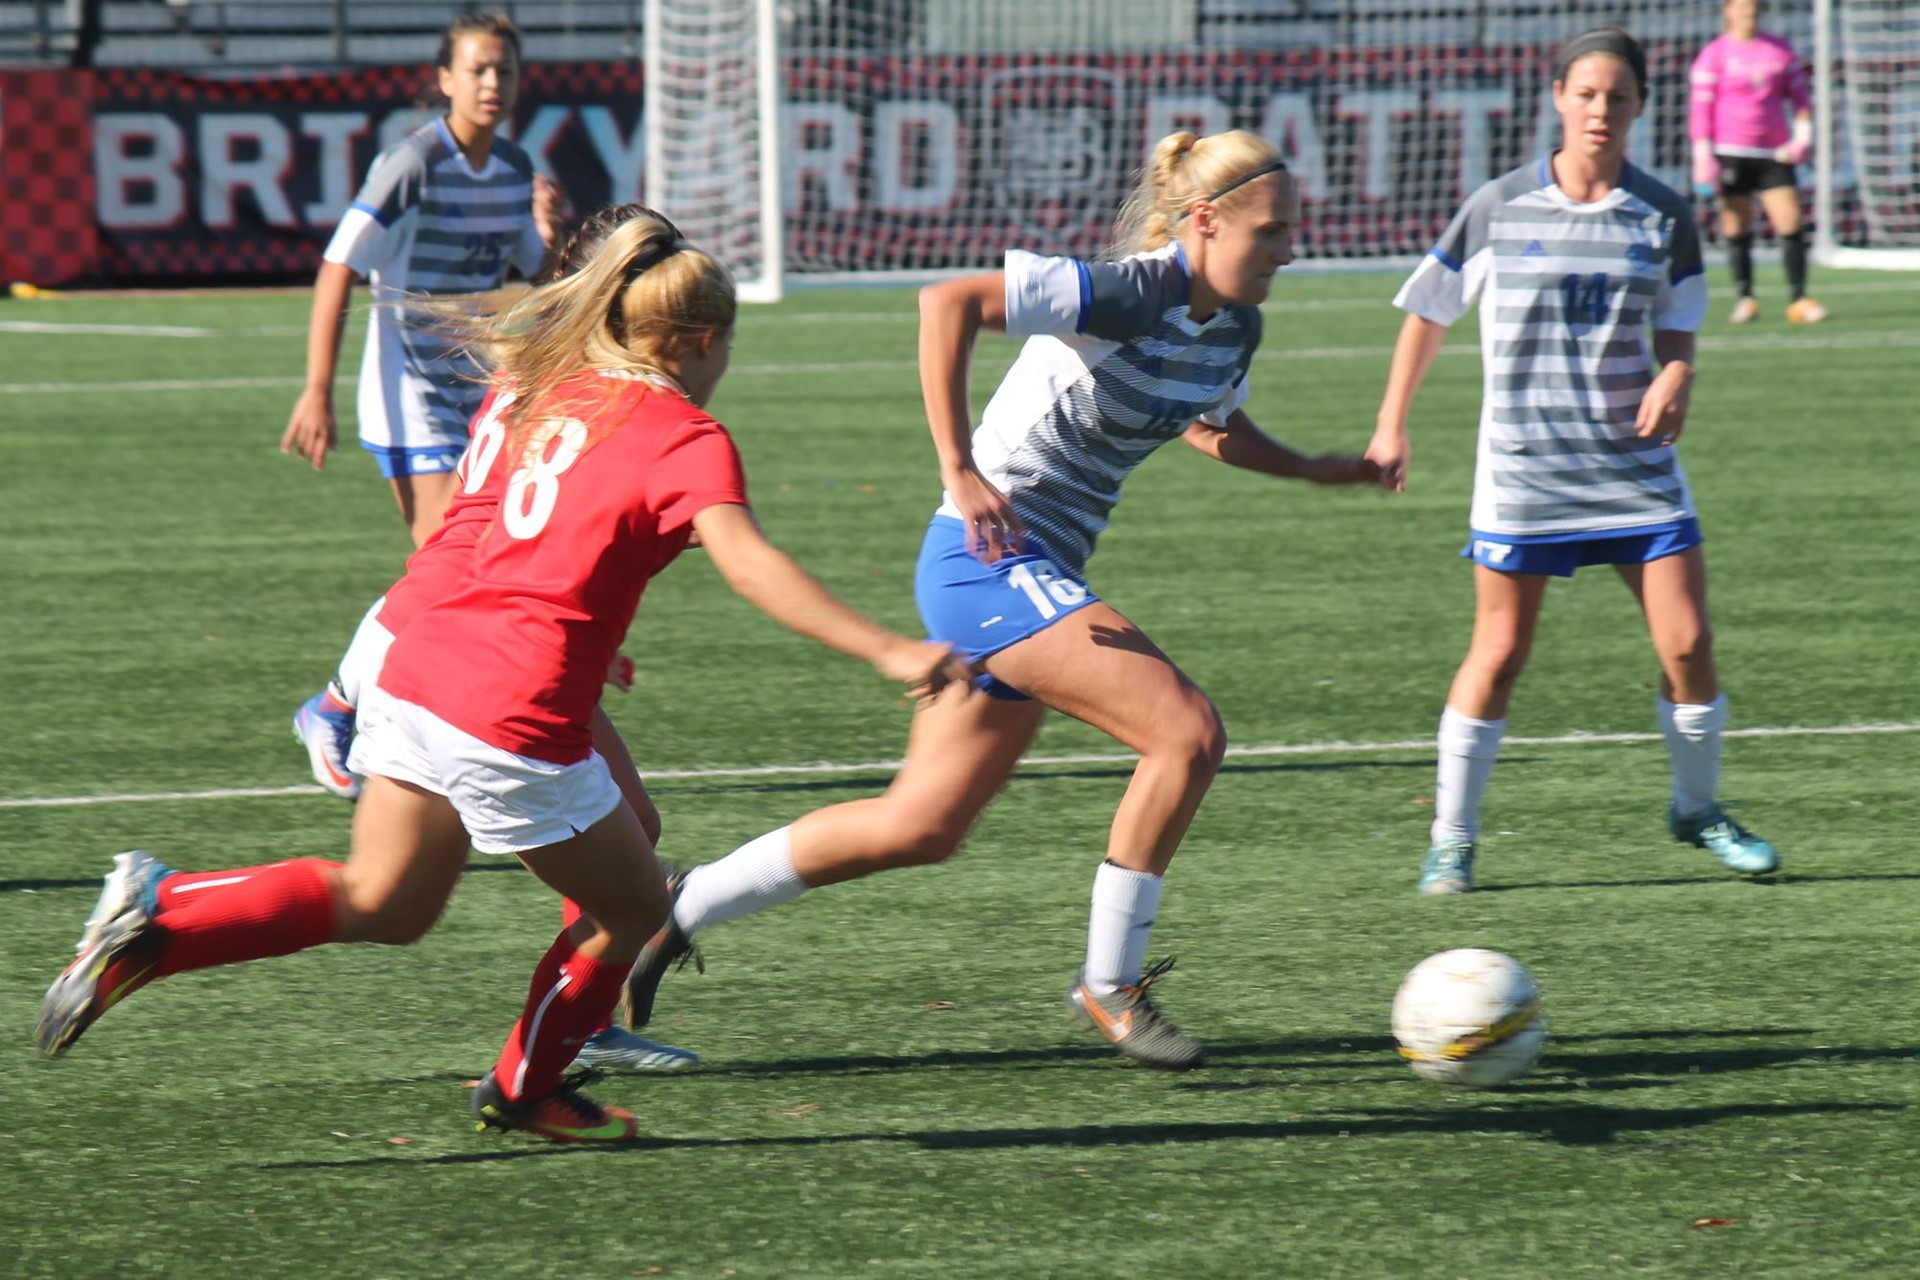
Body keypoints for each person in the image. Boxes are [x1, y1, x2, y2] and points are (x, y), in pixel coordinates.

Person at [37, 214, 972, 1145]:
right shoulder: (684, 434)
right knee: (637, 905)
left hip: (419, 661)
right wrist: (889, 648)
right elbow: (751, 565)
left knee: (387, 900)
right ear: (699, 342)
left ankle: (166, 911)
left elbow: (492, 522)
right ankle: (526, 1086)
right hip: (509, 706)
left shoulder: (538, 377)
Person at [615, 129, 1386, 1071]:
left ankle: (680, 908)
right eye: (1272, 232)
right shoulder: (1126, 289)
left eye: (1292, 231)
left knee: (920, 827)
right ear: (1204, 222)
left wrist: (1317, 470)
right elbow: (949, 303)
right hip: (984, 567)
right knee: (1186, 733)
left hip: (1034, 579)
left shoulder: (1232, 324)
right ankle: (1110, 984)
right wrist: (960, 467)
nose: (1290, 249)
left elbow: (1206, 421)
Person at [1367, 27, 1783, 897]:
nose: (1601, 110)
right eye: (1586, 94)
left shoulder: (1663, 213)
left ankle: (1697, 809)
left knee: (1690, 642)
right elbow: (1427, 313)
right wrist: (1391, 425)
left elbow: (1679, 329)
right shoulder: (1499, 205)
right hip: (1526, 470)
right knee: (1501, 651)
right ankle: (1452, 838)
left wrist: (1677, 374)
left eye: (1618, 96)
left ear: (1640, 107)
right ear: (1558, 97)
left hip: (1634, 467)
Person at [279, 10, 562, 541]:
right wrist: (318, 391)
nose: (492, 83)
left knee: (493, 551)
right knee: (453, 553)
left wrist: (551, 234)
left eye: (505, 71)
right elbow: (339, 264)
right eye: (478, 70)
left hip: (482, 387)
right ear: (446, 79)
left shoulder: (515, 169)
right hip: (411, 391)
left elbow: (546, 278)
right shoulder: (412, 166)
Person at [1689, 0, 1825, 325]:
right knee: (1737, 225)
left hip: (1773, 152)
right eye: (1741, 4)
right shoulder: (1715, 54)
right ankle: (1746, 297)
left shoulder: (1779, 49)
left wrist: (1802, 138)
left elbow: (1800, 97)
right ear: (1728, 10)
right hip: (1730, 150)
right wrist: (1702, 154)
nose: (1748, 9)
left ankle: (1799, 297)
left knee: (1790, 221)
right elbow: (1701, 108)